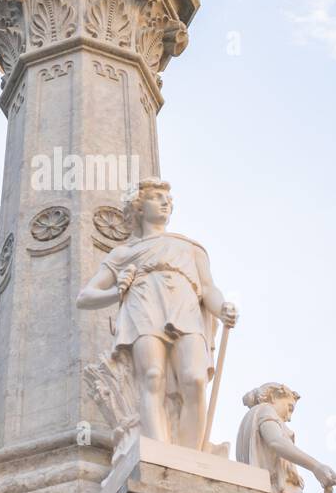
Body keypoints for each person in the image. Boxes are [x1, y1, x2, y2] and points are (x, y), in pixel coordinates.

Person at [76, 179, 237, 450]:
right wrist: (118, 292)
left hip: (184, 307)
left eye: (168, 200)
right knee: (152, 376)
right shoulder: (124, 253)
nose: (165, 203)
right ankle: (159, 452)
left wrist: (222, 309)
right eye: (156, 197)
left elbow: (208, 287)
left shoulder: (190, 247)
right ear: (138, 208)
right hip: (143, 305)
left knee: (195, 379)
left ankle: (189, 454)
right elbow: (85, 297)